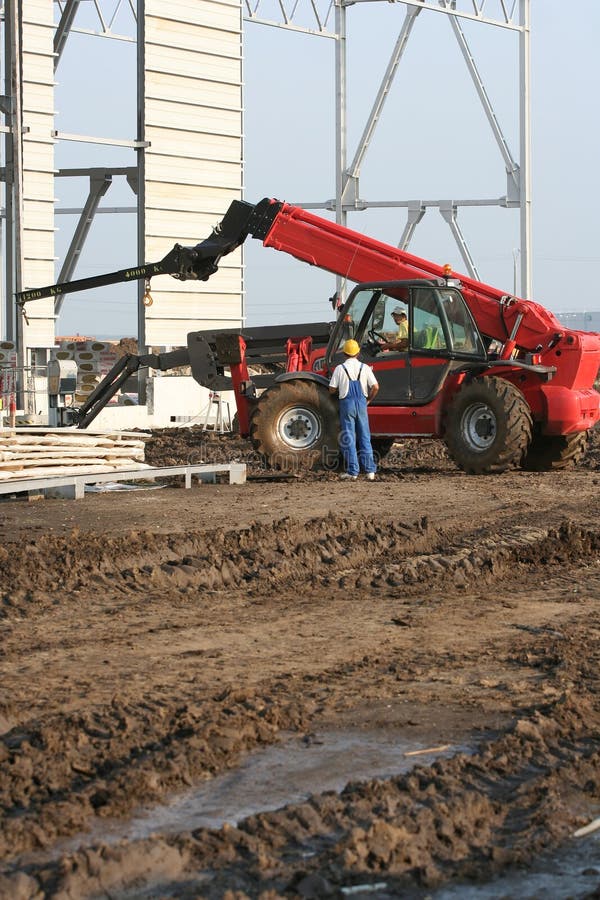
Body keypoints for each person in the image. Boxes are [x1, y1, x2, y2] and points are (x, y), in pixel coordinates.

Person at [329, 339, 379, 481]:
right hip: (361, 403)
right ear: (357, 353)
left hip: (347, 404)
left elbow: (332, 389)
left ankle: (353, 472)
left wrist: (337, 389)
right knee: (364, 437)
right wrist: (369, 399)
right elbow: (376, 387)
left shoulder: (339, 369)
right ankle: (370, 472)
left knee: (349, 438)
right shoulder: (365, 367)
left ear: (344, 353)